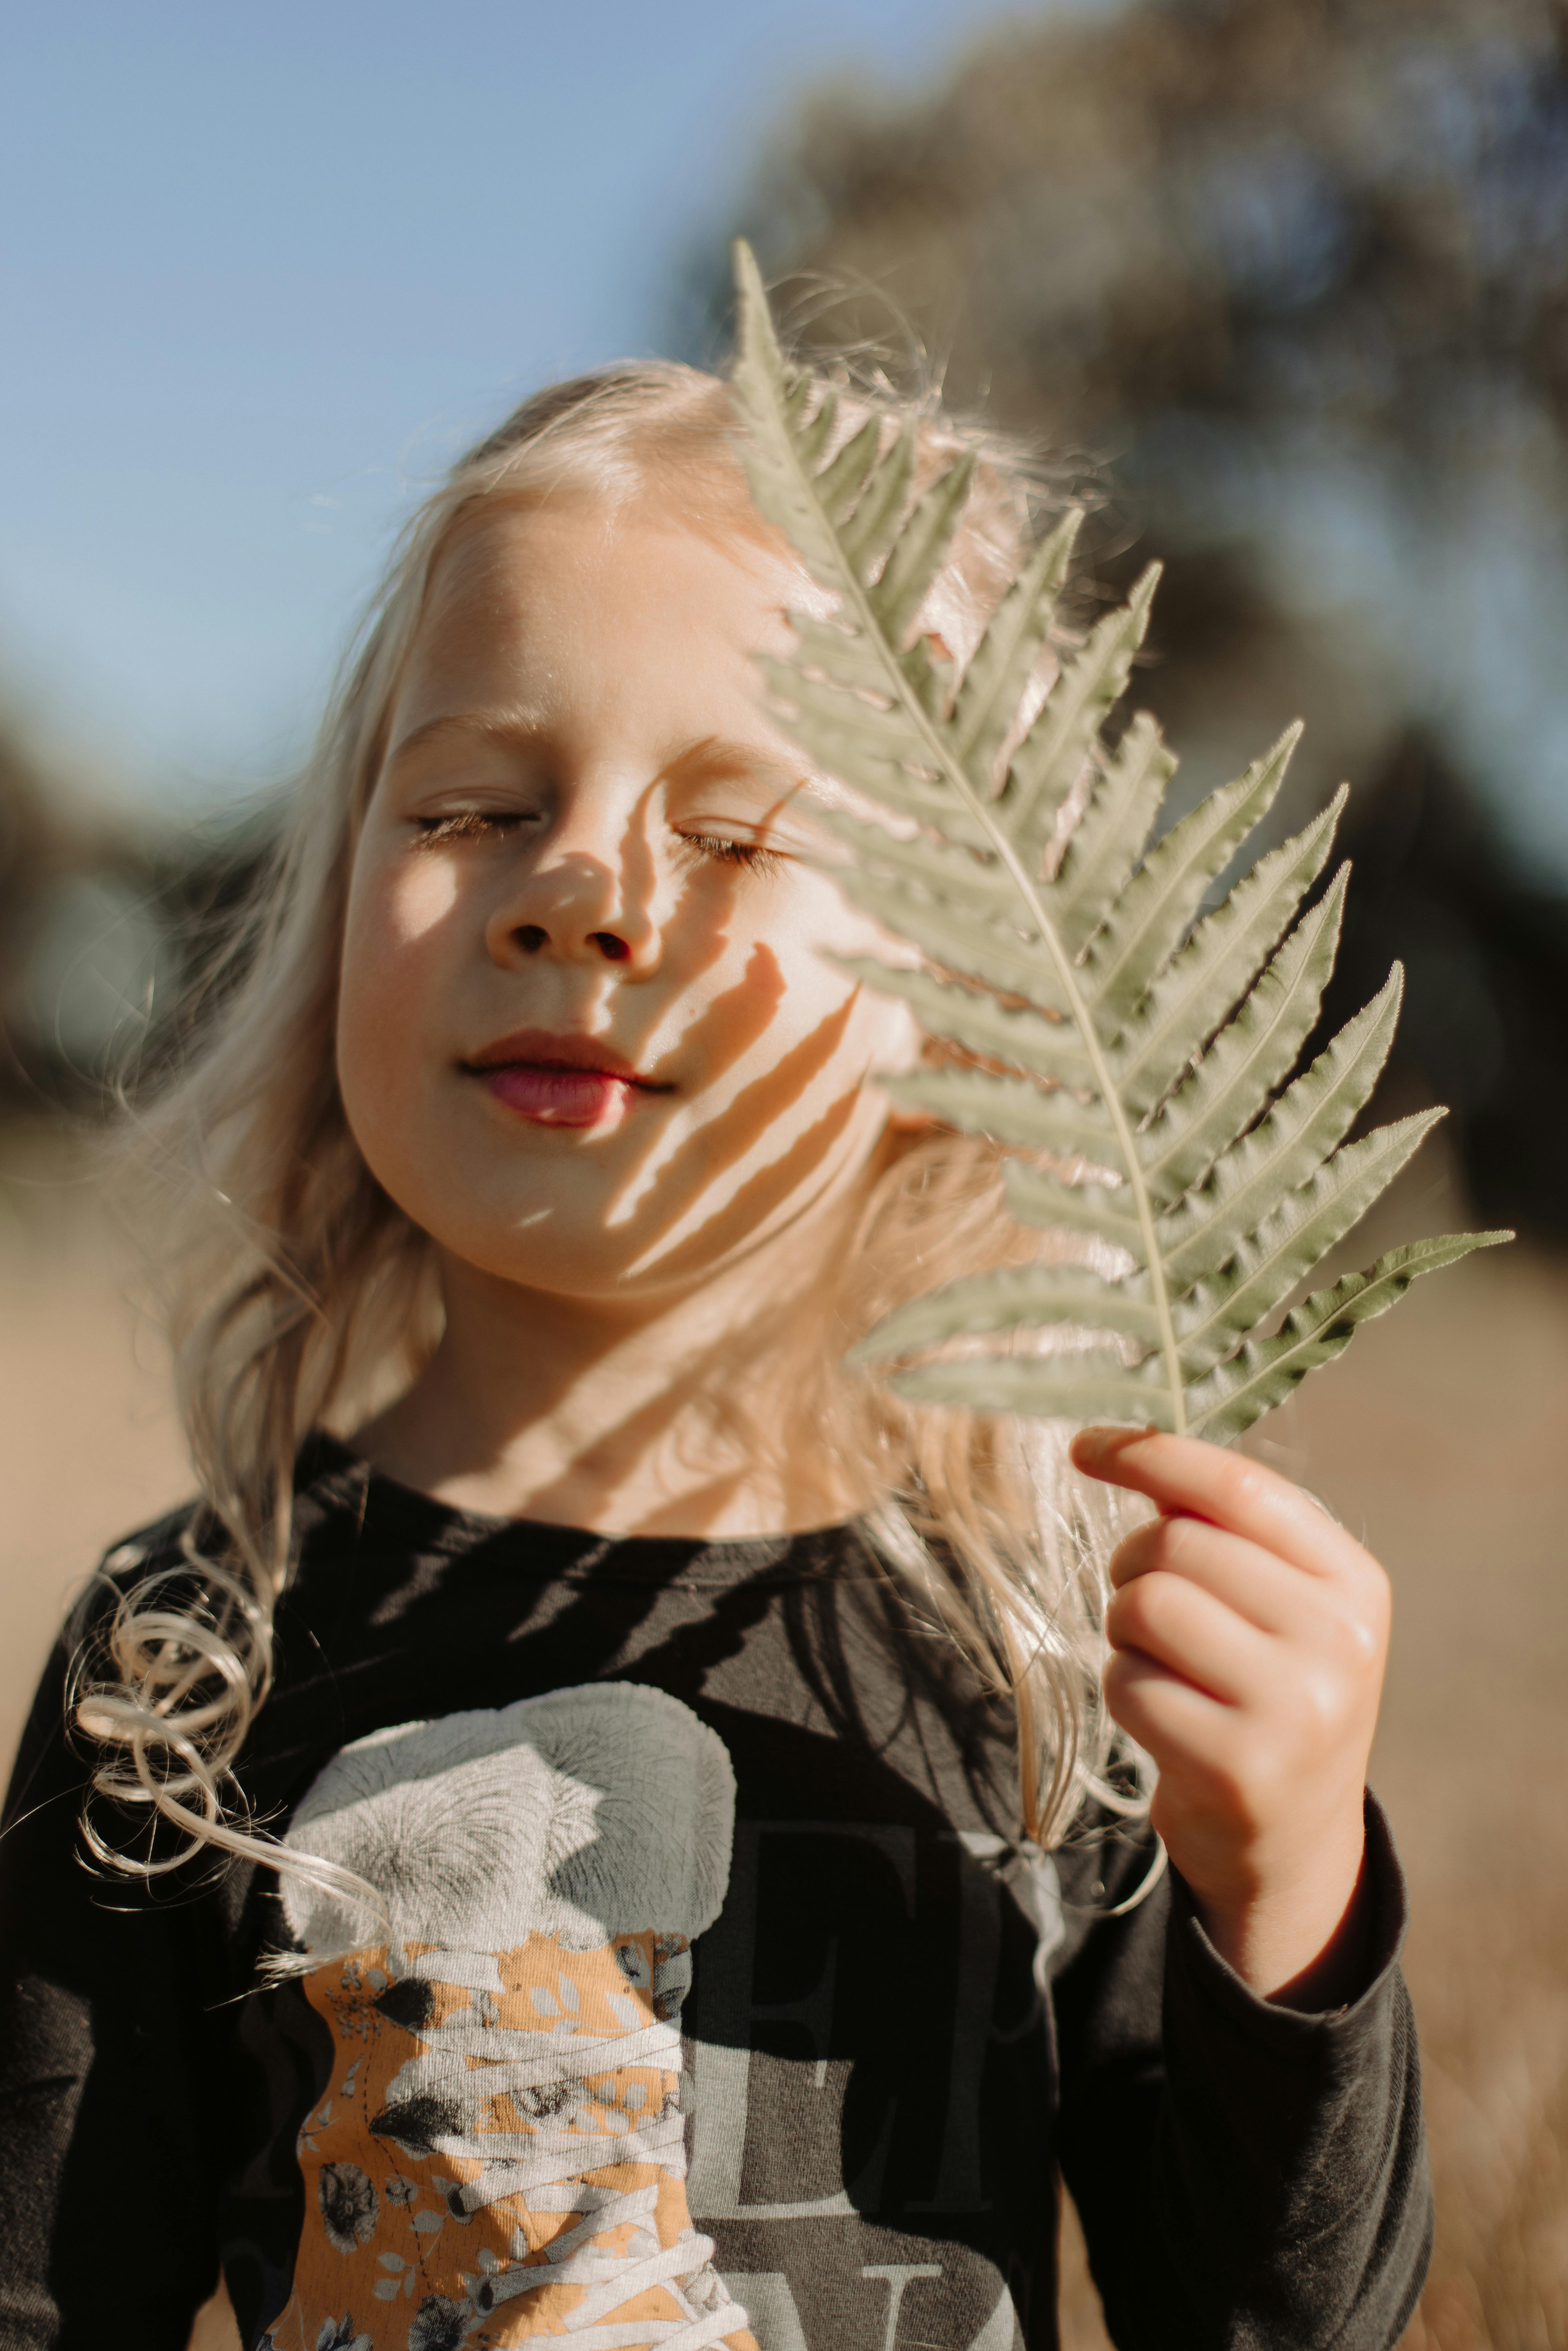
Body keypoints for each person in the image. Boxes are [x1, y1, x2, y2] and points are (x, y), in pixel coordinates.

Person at [0, 340, 1429, 2351]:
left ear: (963, 1004)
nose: (578, 889)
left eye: (736, 836)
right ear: (338, 913)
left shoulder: (1049, 1646)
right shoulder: (184, 1654)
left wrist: (1282, 1901)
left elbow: (1276, 2320)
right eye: (475, 806)